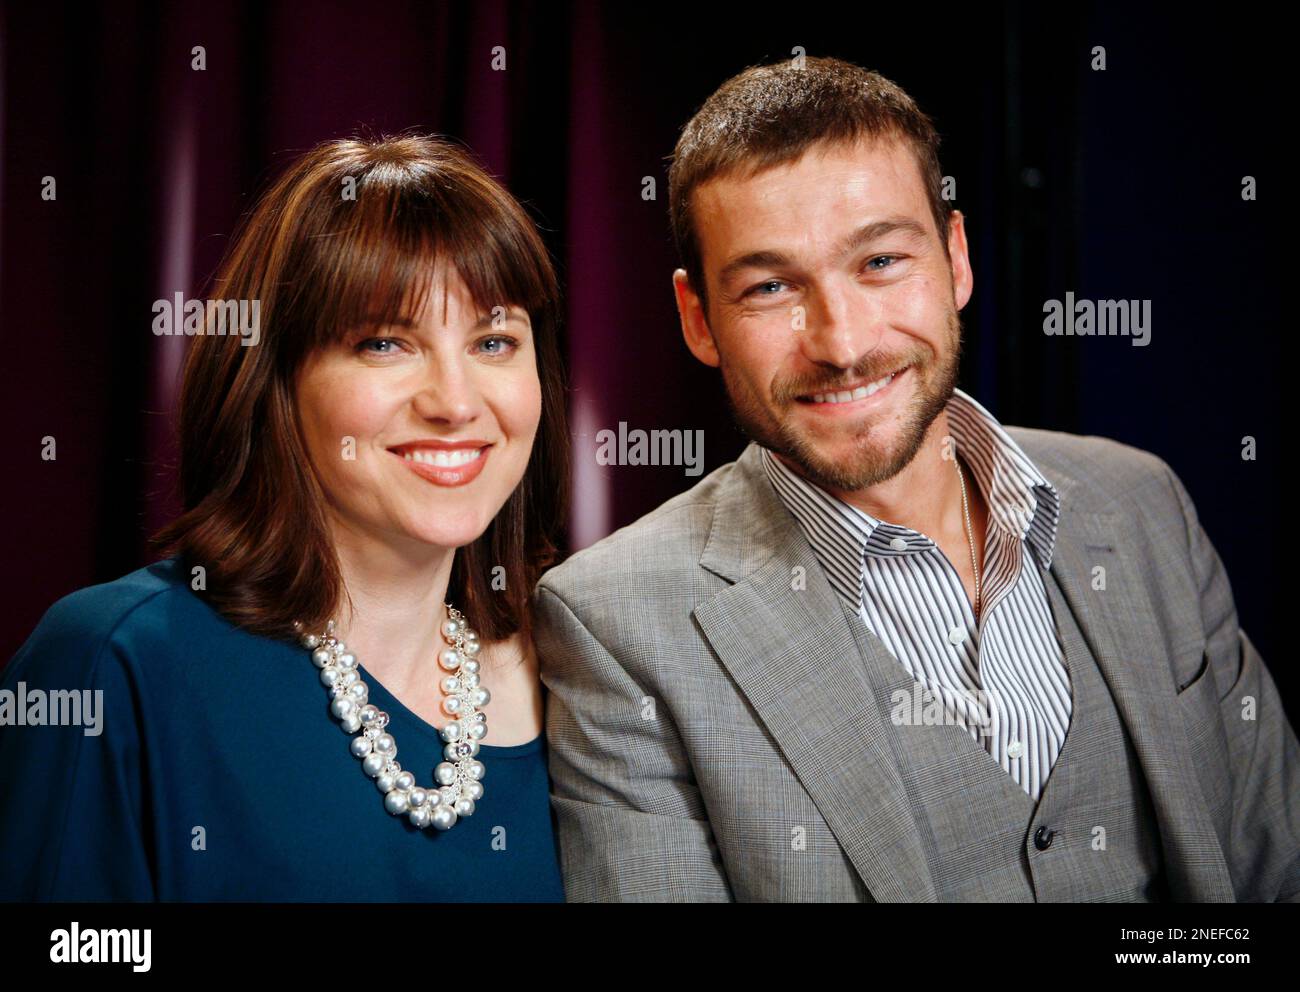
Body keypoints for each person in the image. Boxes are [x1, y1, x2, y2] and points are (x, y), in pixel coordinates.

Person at [534, 57, 1300, 901]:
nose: (841, 341)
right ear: (697, 320)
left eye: (881, 262)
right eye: (770, 285)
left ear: (956, 259)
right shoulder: (615, 624)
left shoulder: (1141, 500)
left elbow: (1275, 866)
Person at [0, 134, 569, 901]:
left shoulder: (580, 675)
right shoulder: (114, 664)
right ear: (274, 378)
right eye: (384, 342)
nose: (457, 403)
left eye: (494, 340)